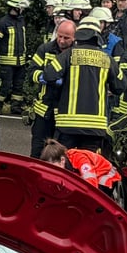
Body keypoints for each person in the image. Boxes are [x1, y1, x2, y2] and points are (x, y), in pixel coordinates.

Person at [44, 17, 112, 152]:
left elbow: (49, 74)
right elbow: (121, 85)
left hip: (68, 125)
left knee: (63, 166)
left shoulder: (69, 54)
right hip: (95, 128)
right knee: (87, 167)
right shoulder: (106, 58)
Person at [27, 19, 75, 158]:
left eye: (66, 38)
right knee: (37, 152)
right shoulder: (45, 49)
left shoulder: (75, 54)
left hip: (64, 111)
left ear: (74, 38)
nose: (61, 40)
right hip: (44, 110)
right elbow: (32, 72)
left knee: (61, 154)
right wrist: (43, 77)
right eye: (59, 36)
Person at [40, 138, 121, 191]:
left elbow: (91, 184)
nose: (53, 171)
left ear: (62, 160)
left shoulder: (79, 159)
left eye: (54, 168)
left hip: (107, 177)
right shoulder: (65, 163)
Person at [0, 0, 30, 114]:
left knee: (18, 85)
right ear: (15, 7)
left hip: (20, 60)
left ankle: (16, 106)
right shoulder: (3, 22)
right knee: (5, 84)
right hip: (7, 61)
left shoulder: (21, 21)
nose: (23, 9)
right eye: (21, 7)